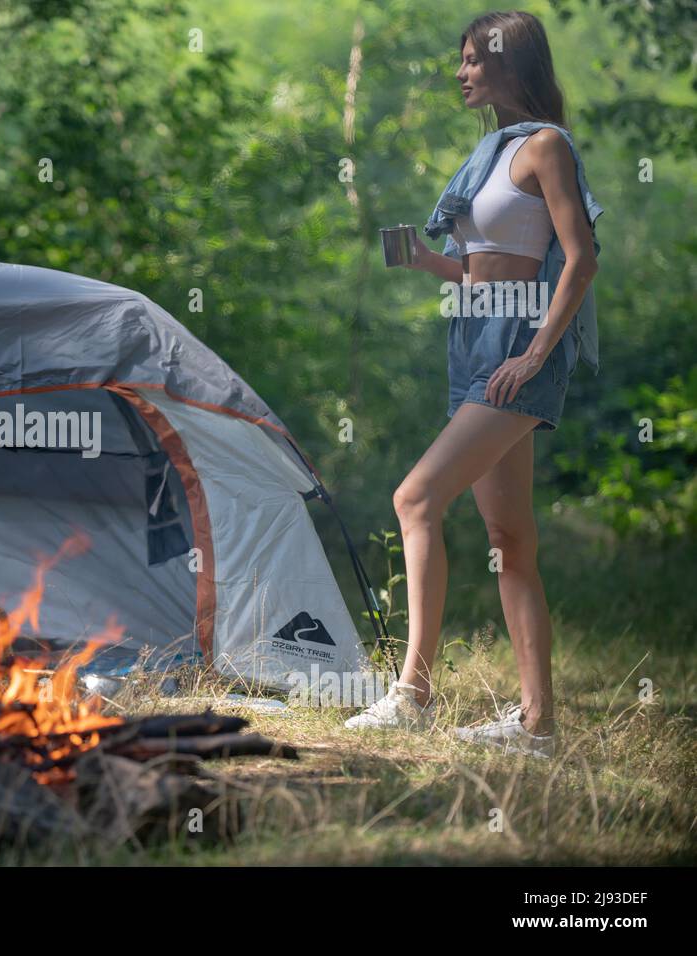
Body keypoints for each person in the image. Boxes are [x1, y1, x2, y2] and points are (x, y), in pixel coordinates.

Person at [345, 11, 604, 757]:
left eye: (470, 61)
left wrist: (532, 356)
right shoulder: (488, 153)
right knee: (510, 540)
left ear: (509, 63)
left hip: (516, 348)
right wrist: (424, 263)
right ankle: (538, 727)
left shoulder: (546, 146)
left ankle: (411, 693)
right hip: (473, 336)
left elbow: (580, 259)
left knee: (414, 497)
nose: (460, 73)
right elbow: (480, 269)